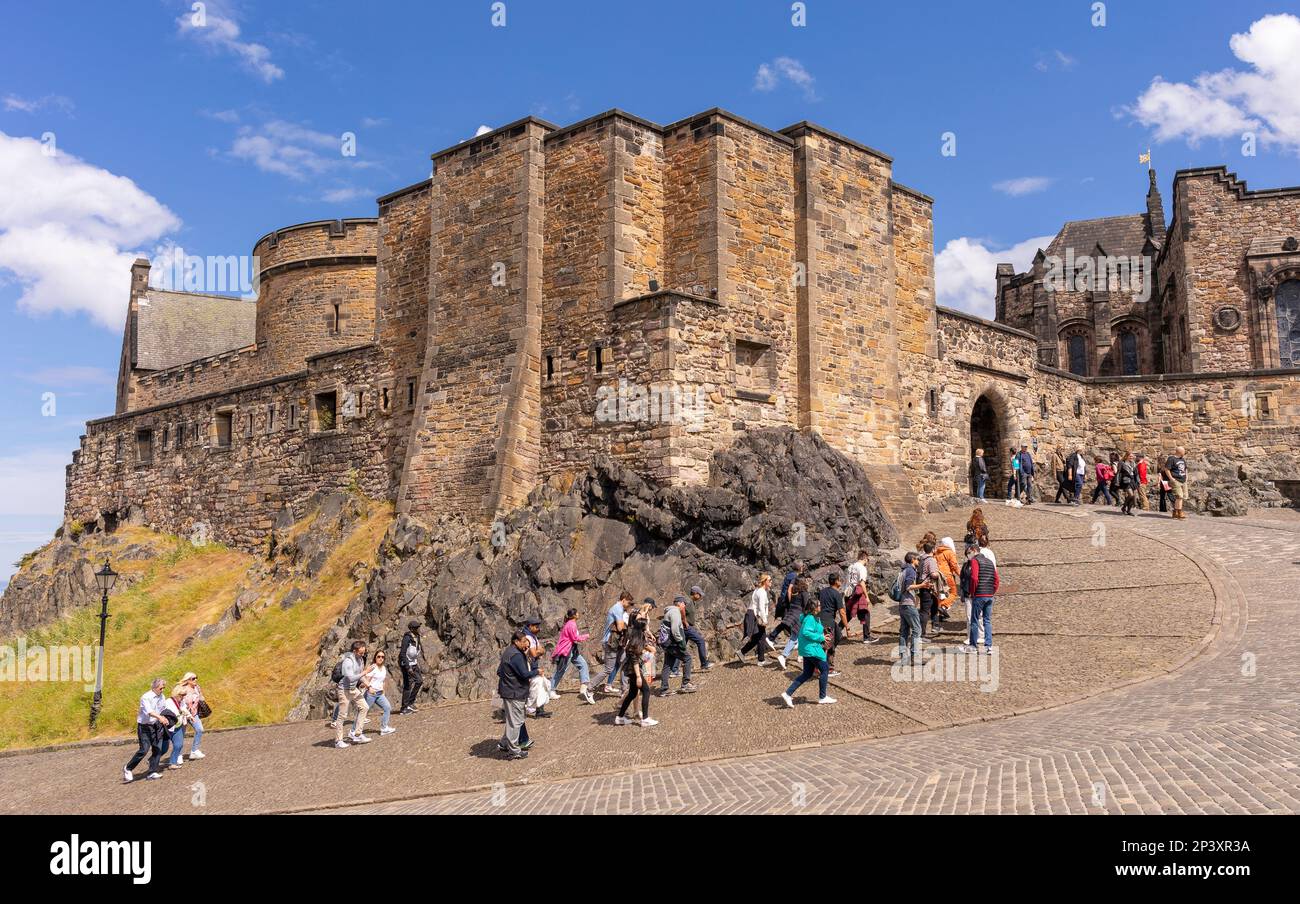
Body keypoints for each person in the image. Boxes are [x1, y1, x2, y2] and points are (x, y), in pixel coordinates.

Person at [780, 597, 837, 707]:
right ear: (813, 607)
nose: (820, 606)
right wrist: (821, 637)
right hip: (812, 649)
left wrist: (823, 633)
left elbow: (810, 630)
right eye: (819, 605)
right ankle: (822, 697)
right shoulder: (810, 618)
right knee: (825, 669)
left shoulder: (810, 617)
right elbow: (806, 632)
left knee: (807, 673)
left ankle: (787, 694)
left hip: (806, 649)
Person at [496, 631, 536, 759]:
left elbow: (499, 671)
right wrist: (536, 671)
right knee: (516, 722)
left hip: (508, 691)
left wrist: (508, 679)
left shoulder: (508, 652)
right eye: (523, 641)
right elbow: (524, 674)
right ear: (516, 642)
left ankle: (503, 743)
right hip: (514, 693)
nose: (526, 644)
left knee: (512, 720)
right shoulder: (516, 656)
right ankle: (514, 750)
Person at [958, 541, 998, 654]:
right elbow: (996, 580)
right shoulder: (990, 562)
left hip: (979, 594)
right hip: (989, 595)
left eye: (969, 552)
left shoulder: (975, 561)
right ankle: (988, 646)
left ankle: (973, 646)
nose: (968, 555)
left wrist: (973, 592)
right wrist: (992, 591)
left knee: (974, 620)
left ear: (975, 551)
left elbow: (974, 578)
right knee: (987, 621)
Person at [124, 678, 168, 782]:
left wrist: (164, 717)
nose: (163, 690)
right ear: (154, 687)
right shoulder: (145, 697)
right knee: (144, 749)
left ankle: (152, 772)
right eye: (161, 688)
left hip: (156, 725)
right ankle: (128, 768)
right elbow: (149, 712)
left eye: (163, 688)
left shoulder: (162, 696)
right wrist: (160, 717)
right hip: (144, 727)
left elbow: (162, 709)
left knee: (157, 749)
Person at [615, 622, 657, 727]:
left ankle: (620, 718)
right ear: (641, 631)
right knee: (646, 691)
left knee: (632, 693)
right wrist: (638, 676)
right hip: (634, 671)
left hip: (630, 670)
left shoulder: (634, 641)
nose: (646, 633)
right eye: (645, 631)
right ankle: (645, 719)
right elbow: (635, 661)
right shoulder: (636, 643)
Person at [551, 608, 596, 704]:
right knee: (561, 670)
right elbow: (575, 638)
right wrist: (586, 636)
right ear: (574, 615)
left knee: (583, 664)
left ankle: (584, 686)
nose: (579, 614)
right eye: (577, 613)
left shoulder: (570, 623)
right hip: (566, 650)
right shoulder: (571, 624)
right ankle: (550, 690)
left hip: (572, 650)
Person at [658, 596, 698, 695]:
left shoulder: (668, 612)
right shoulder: (675, 612)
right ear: (679, 603)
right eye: (684, 603)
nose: (684, 606)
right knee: (687, 658)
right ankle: (685, 684)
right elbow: (675, 630)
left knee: (667, 665)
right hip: (673, 644)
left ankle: (664, 689)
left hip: (667, 643)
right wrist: (681, 643)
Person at [335, 641, 371, 748]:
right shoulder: (348, 661)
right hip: (344, 690)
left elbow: (360, 676)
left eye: (364, 652)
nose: (363, 655)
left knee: (364, 707)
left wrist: (368, 684)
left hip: (353, 689)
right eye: (361, 653)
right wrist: (365, 672)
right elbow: (350, 678)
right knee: (342, 716)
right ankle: (338, 741)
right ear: (354, 651)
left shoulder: (360, 659)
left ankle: (357, 734)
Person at [598, 590, 632, 695]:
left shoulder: (619, 609)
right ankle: (589, 687)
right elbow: (620, 627)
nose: (629, 605)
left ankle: (624, 689)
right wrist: (627, 625)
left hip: (615, 642)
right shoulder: (617, 609)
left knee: (623, 662)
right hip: (611, 641)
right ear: (623, 600)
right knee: (608, 669)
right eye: (628, 603)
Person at [774, 577, 809, 669]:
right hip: (798, 616)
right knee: (795, 638)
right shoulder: (804, 593)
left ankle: (800, 656)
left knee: (799, 636)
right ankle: (783, 656)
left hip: (791, 614)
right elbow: (806, 605)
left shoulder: (794, 592)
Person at [738, 574, 773, 665]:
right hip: (755, 615)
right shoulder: (761, 592)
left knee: (757, 637)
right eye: (769, 580)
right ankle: (761, 660)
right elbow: (761, 607)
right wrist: (764, 620)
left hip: (752, 614)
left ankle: (742, 652)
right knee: (761, 637)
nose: (771, 582)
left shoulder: (757, 590)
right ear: (765, 581)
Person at [845, 549, 878, 644]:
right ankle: (866, 637)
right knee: (866, 613)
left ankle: (835, 633)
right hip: (857, 593)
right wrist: (867, 597)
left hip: (849, 592)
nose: (867, 562)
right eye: (867, 559)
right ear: (865, 558)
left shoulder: (851, 566)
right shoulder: (862, 568)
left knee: (847, 615)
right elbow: (862, 583)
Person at [818, 572, 847, 677]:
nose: (840, 581)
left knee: (836, 637)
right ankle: (828, 668)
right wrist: (847, 626)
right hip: (829, 622)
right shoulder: (836, 594)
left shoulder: (822, 592)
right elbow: (842, 612)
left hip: (820, 620)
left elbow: (819, 605)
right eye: (839, 580)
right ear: (836, 582)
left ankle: (818, 666)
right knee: (829, 645)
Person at [361, 650, 396, 735]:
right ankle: (354, 731)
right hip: (371, 694)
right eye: (379, 656)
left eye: (382, 657)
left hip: (379, 694)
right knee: (363, 712)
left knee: (387, 708)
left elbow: (383, 681)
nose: (381, 658)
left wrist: (383, 692)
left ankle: (384, 728)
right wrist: (368, 687)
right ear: (375, 657)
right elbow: (365, 679)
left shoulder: (383, 668)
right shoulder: (373, 667)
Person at [523, 615, 551, 717]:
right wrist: (539, 651)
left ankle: (538, 709)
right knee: (535, 687)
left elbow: (541, 649)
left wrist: (539, 651)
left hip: (532, 665)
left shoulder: (533, 636)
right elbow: (534, 653)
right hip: (528, 666)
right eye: (536, 626)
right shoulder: (528, 637)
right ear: (530, 626)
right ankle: (533, 710)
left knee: (540, 685)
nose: (538, 628)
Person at [898, 552, 923, 665]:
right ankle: (915, 657)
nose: (919, 561)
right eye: (917, 559)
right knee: (917, 630)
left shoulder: (903, 570)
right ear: (913, 559)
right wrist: (923, 585)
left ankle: (903, 657)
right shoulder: (911, 571)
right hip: (908, 603)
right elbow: (908, 586)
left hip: (902, 603)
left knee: (904, 631)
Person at [161, 684, 191, 769]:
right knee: (164, 748)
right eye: (182, 695)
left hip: (178, 726)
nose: (183, 697)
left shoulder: (181, 701)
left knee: (179, 745)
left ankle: (173, 763)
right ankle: (153, 760)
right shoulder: (168, 702)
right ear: (176, 694)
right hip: (168, 728)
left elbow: (184, 709)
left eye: (184, 695)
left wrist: (189, 716)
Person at [916, 541, 943, 639]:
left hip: (924, 587)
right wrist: (939, 573)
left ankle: (935, 626)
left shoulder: (921, 558)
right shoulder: (931, 560)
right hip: (928, 587)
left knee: (934, 606)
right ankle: (921, 633)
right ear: (933, 549)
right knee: (925, 611)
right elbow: (933, 574)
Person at [684, 586, 713, 671]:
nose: (700, 597)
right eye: (699, 594)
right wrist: (684, 621)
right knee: (700, 641)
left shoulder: (692, 602)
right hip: (686, 627)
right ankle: (704, 664)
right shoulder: (688, 602)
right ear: (695, 594)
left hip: (687, 627)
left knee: (681, 647)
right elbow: (681, 611)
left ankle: (673, 669)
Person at [397, 620, 423, 715]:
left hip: (414, 664)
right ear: (412, 629)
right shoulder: (407, 638)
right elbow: (403, 654)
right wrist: (408, 667)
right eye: (417, 627)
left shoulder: (417, 637)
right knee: (408, 685)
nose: (418, 629)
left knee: (419, 681)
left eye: (418, 627)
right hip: (406, 665)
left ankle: (410, 703)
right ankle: (404, 708)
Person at [179, 672, 206, 760]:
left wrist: (202, 700)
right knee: (180, 735)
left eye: (196, 677)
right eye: (193, 678)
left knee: (199, 729)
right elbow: (179, 702)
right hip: (183, 714)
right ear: (187, 680)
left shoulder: (197, 687)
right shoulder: (183, 689)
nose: (195, 680)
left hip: (194, 713)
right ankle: (177, 756)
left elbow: (201, 697)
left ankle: (194, 751)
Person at [935, 537, 961, 624]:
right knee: (953, 593)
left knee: (941, 594)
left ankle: (940, 614)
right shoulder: (949, 552)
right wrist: (961, 575)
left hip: (938, 576)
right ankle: (943, 606)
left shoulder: (936, 552)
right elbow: (954, 565)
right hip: (947, 576)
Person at [1163, 445, 1188, 520]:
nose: (1185, 452)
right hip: (1176, 480)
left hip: (1183, 480)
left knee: (1183, 496)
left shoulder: (1182, 459)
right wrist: (1171, 479)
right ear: (1180, 452)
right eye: (1184, 451)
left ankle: (1175, 512)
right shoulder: (1171, 459)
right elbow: (1167, 469)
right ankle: (1179, 512)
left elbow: (1185, 469)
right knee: (1179, 496)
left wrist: (1187, 477)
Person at [1117, 451, 1138, 516]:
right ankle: (1123, 507)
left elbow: (1136, 473)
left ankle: (1128, 510)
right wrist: (1117, 481)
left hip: (1133, 480)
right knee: (1131, 495)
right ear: (1127, 456)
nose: (1131, 457)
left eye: (1132, 456)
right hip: (1126, 480)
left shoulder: (1134, 463)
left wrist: (1138, 481)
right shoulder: (1122, 463)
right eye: (1130, 456)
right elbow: (1118, 473)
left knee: (1133, 496)